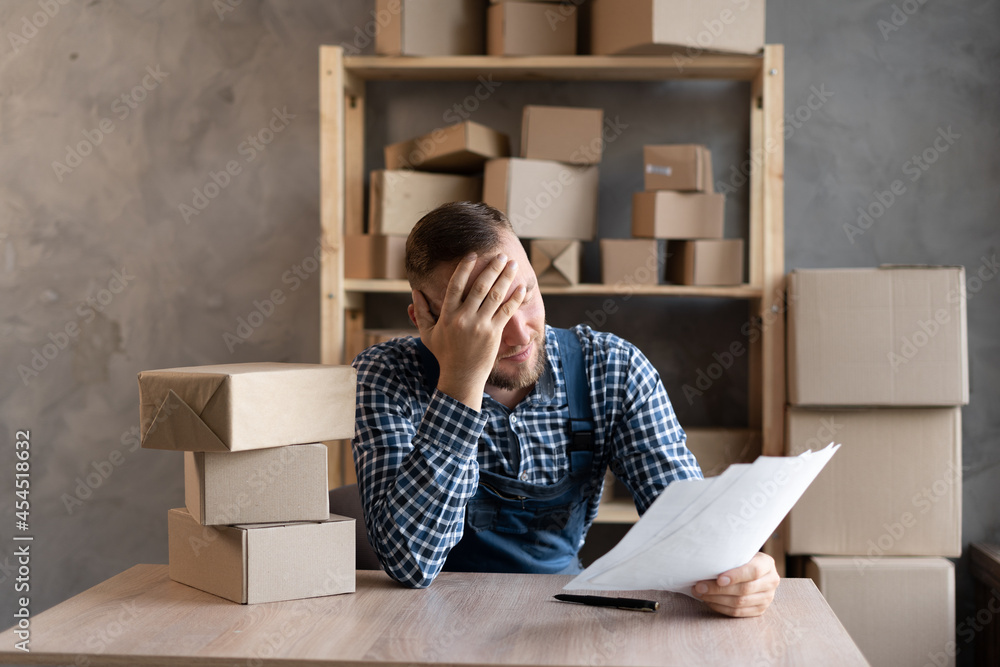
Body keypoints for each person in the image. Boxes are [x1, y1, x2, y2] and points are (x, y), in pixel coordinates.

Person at [352, 201, 780, 617]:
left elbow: (691, 533)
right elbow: (411, 564)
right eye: (484, 313)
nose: (519, 333)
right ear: (423, 316)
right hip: (426, 620)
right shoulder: (384, 376)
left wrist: (738, 572)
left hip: (558, 613)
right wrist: (461, 379)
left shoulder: (611, 367)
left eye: (523, 295)